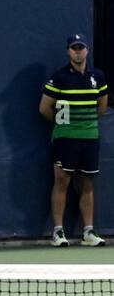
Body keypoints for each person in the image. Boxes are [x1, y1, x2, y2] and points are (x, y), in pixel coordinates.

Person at [40, 35, 107, 246]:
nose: (78, 52)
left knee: (87, 183)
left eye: (81, 48)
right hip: (65, 139)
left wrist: (85, 124)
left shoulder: (98, 76)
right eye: (74, 48)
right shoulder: (59, 77)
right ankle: (58, 232)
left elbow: (102, 107)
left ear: (87, 50)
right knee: (62, 181)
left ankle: (88, 232)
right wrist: (64, 126)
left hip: (89, 138)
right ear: (68, 51)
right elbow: (44, 108)